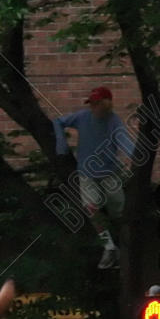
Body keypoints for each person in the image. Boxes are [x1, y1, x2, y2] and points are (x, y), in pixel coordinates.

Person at [52, 85, 134, 270]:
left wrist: (135, 156)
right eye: (92, 103)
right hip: (87, 173)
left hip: (109, 173)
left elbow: (124, 141)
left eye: (98, 103)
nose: (94, 107)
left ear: (107, 104)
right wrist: (61, 145)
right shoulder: (82, 117)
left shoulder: (113, 121)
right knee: (91, 208)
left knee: (119, 212)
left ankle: (123, 248)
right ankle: (109, 246)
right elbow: (58, 121)